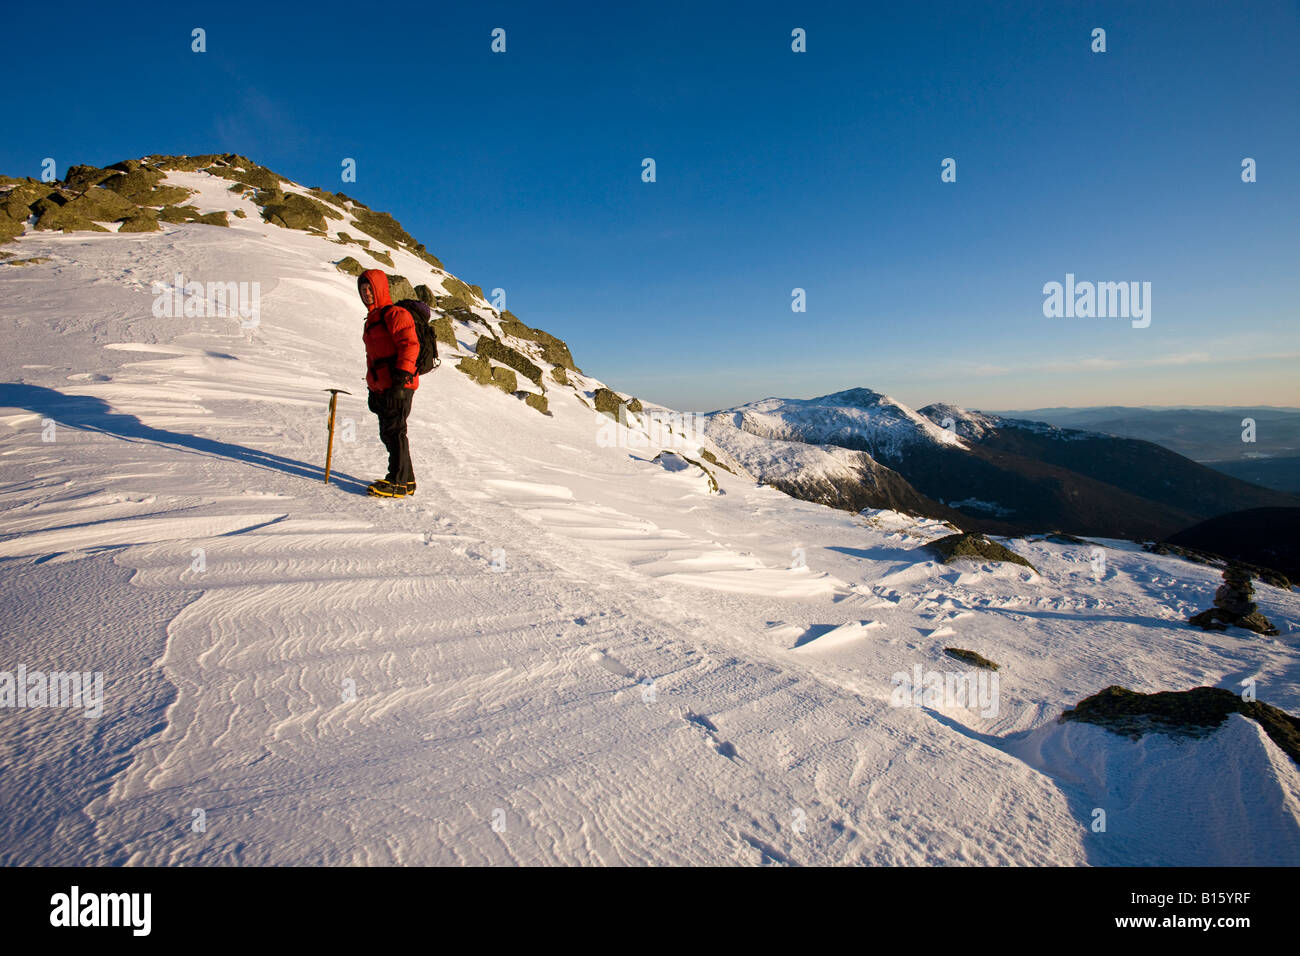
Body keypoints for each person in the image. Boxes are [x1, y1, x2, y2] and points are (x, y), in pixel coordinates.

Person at [358, 269, 419, 497]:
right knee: (391, 432)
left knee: (394, 431)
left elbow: (410, 344)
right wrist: (373, 387)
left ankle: (397, 481)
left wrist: (401, 377)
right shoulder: (372, 320)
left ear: (380, 289)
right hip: (383, 385)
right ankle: (407, 481)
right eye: (363, 290)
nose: (366, 294)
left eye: (369, 289)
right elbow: (373, 357)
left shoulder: (394, 314)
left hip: (399, 383)